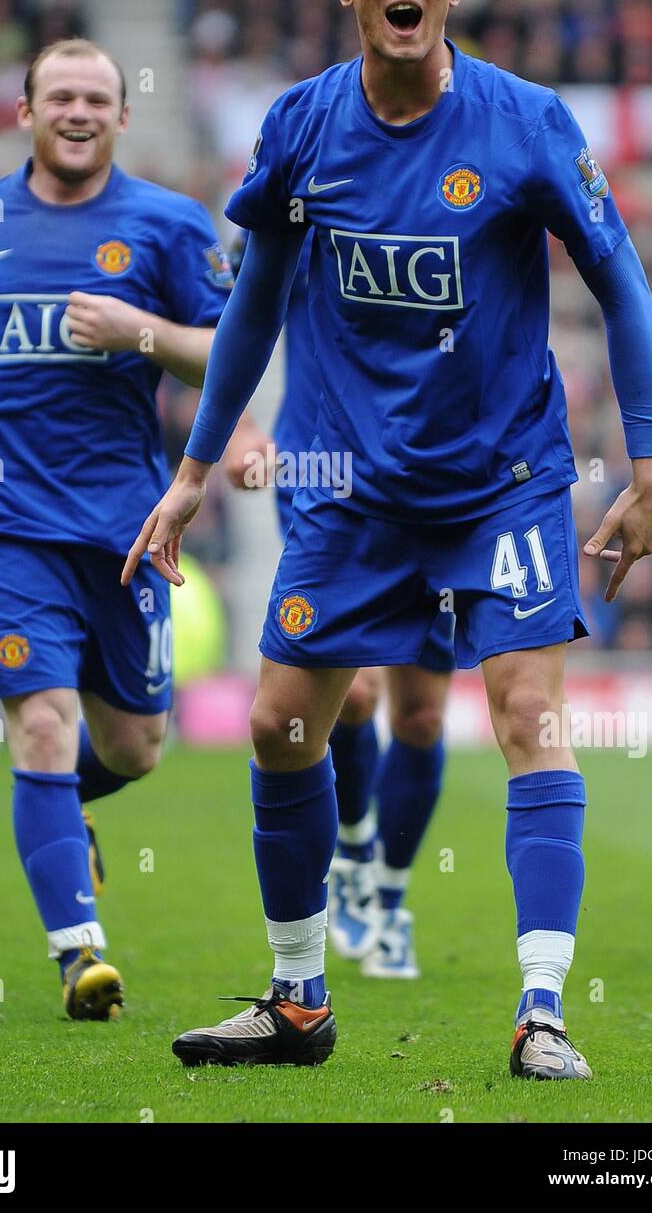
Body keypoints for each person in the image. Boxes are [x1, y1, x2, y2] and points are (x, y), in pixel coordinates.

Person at [124, 0, 652, 1078]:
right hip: (346, 485)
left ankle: (540, 1015)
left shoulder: (524, 123)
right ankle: (297, 1001)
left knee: (527, 716)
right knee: (278, 727)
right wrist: (194, 468)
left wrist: (650, 458)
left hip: (502, 482)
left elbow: (621, 283)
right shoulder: (302, 126)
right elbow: (254, 304)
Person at [0, 38, 232, 1021]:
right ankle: (79, 951)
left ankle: (62, 812)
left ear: (122, 117)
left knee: (134, 744)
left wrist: (144, 335)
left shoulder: (167, 225)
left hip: (124, 524)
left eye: (96, 99)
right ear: (27, 111)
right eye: (60, 97)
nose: (77, 112)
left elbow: (223, 353)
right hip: (2, 515)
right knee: (43, 720)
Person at [224, 230, 455, 980]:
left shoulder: (450, 185)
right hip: (320, 471)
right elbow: (233, 313)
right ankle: (351, 850)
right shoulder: (308, 180)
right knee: (350, 696)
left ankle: (389, 898)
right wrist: (244, 424)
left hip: (436, 482)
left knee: (418, 711)